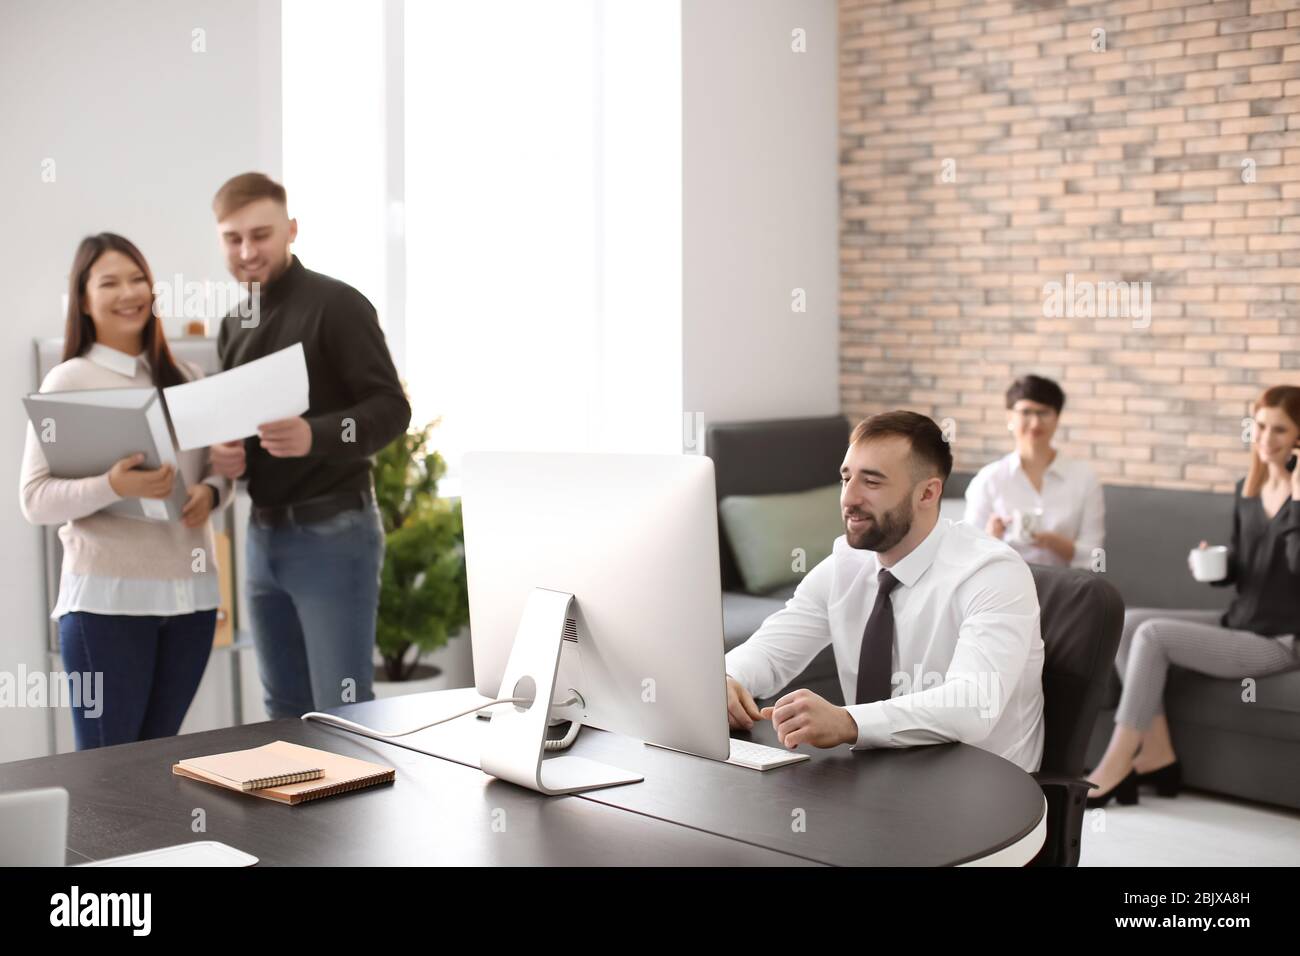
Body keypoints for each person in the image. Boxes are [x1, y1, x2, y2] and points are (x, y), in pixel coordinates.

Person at [723, 411, 1046, 773]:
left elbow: (973, 706)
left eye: (872, 482)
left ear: (927, 492)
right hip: (880, 777)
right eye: (846, 478)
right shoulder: (844, 565)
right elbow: (770, 651)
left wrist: (848, 722)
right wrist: (731, 676)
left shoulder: (992, 573)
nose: (849, 498)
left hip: (986, 791)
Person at [206, 173, 411, 719]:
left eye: (261, 234)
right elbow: (247, 435)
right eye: (233, 238)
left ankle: (354, 809)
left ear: (291, 229)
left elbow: (392, 409)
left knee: (342, 712)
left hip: (332, 535)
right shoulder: (231, 325)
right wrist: (231, 461)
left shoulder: (337, 305)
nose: (247, 251)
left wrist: (314, 434)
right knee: (284, 708)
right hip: (261, 538)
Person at [19, 233, 231, 749]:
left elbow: (213, 474)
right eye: (109, 282)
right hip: (106, 607)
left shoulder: (186, 375)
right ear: (85, 301)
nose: (128, 292)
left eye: (137, 278)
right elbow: (35, 498)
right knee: (108, 772)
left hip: (193, 603)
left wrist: (212, 491)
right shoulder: (68, 380)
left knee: (160, 763)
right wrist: (112, 484)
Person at [1085, 385, 1300, 807]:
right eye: (1259, 426)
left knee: (1153, 636)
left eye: (1279, 430)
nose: (1265, 438)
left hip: (1283, 640)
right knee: (1126, 622)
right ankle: (1159, 755)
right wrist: (1216, 567)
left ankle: (1117, 762)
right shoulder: (1248, 489)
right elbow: (1247, 569)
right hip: (1239, 618)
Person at [963, 374, 1105, 569]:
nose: (1035, 423)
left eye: (1044, 413)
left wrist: (1056, 544)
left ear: (1057, 418)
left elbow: (1095, 559)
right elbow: (967, 553)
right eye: (1026, 412)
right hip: (1003, 585)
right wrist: (990, 539)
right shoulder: (989, 479)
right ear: (1009, 416)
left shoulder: (1084, 478)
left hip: (1064, 589)